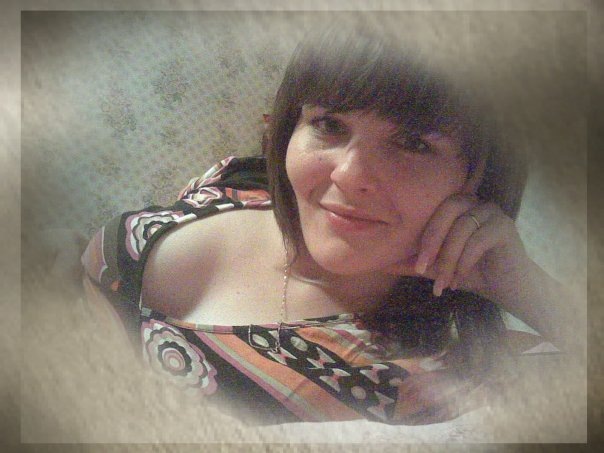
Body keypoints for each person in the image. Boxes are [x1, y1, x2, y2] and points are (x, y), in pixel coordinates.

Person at [81, 22, 572, 425]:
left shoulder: (449, 370)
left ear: (480, 178)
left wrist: (528, 290)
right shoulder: (236, 185)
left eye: (413, 143)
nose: (349, 175)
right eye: (329, 125)